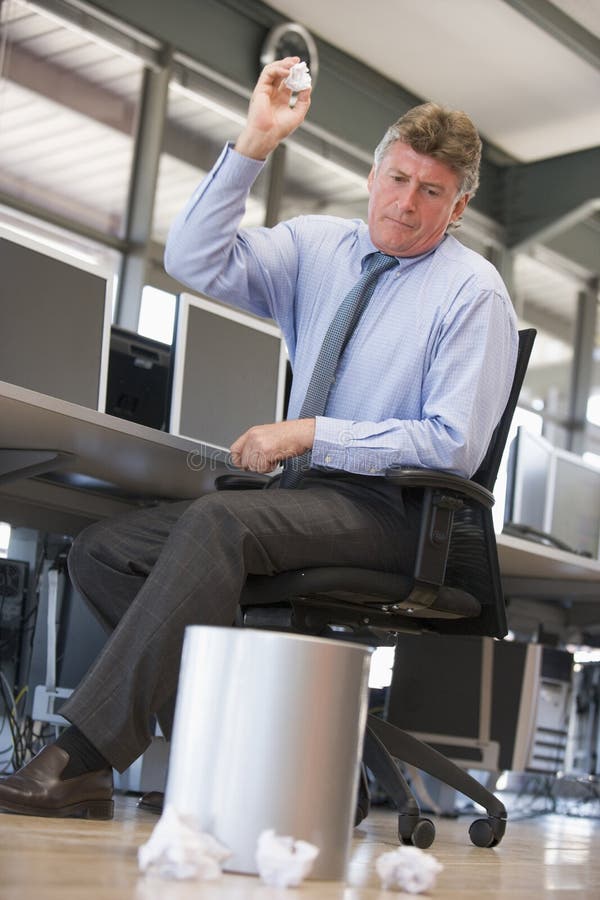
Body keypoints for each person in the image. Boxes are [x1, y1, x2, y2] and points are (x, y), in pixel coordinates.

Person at [0, 57, 517, 819]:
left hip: (393, 514)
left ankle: (80, 760)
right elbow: (193, 260)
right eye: (398, 179)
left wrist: (311, 433)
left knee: (220, 523)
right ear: (373, 174)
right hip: (305, 501)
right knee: (106, 550)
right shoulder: (319, 247)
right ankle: (237, 761)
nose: (406, 204)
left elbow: (451, 445)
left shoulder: (473, 293)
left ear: (459, 205)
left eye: (431, 191)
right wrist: (255, 142)